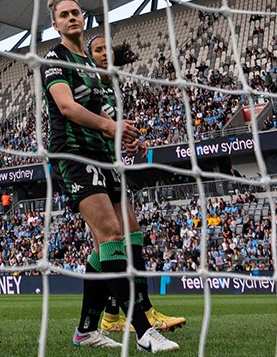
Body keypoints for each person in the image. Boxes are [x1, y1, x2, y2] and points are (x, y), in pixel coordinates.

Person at [41, 0, 177, 352]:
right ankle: (144, 328)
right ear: (55, 24)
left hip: (103, 155)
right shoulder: (54, 59)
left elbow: (107, 121)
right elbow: (67, 107)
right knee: (111, 233)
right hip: (72, 153)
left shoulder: (94, 65)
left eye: (75, 13)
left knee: (123, 235)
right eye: (64, 15)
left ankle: (87, 329)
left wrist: (129, 138)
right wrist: (110, 126)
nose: (72, 18)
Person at [87, 34, 186, 336]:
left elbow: (111, 130)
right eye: (98, 50)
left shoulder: (110, 89)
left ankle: (109, 315)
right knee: (124, 236)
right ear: (89, 57)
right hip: (89, 166)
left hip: (108, 163)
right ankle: (142, 311)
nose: (105, 54)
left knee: (109, 244)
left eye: (107, 49)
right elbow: (88, 125)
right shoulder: (88, 85)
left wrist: (133, 142)